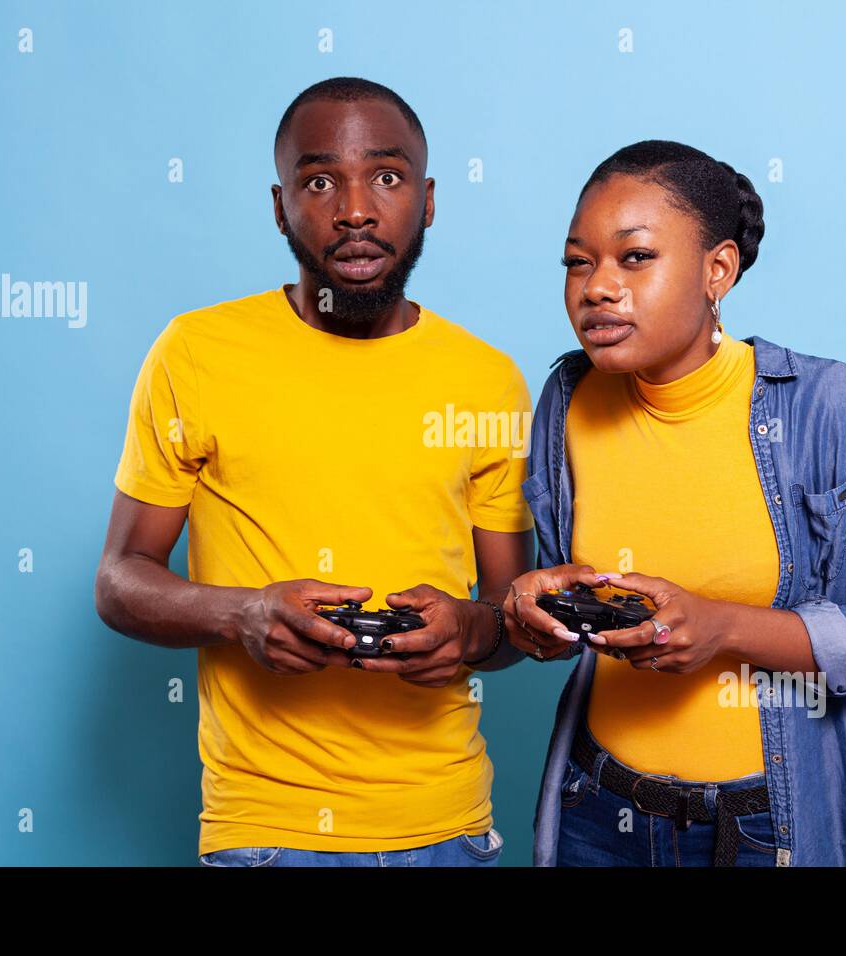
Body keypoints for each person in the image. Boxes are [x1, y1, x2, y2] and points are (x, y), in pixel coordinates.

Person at [94, 77, 536, 867]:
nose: (356, 209)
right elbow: (120, 580)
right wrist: (244, 614)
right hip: (267, 832)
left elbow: (510, 617)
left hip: (449, 827)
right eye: (320, 180)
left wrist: (470, 630)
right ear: (279, 206)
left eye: (388, 177)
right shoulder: (195, 355)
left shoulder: (488, 380)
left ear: (428, 200)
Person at [504, 140, 846, 867]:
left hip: (768, 826)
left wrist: (723, 630)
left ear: (719, 270)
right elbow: (563, 610)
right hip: (597, 813)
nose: (597, 287)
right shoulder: (566, 399)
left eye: (635, 258)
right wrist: (533, 614)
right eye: (577, 262)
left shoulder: (824, 407)